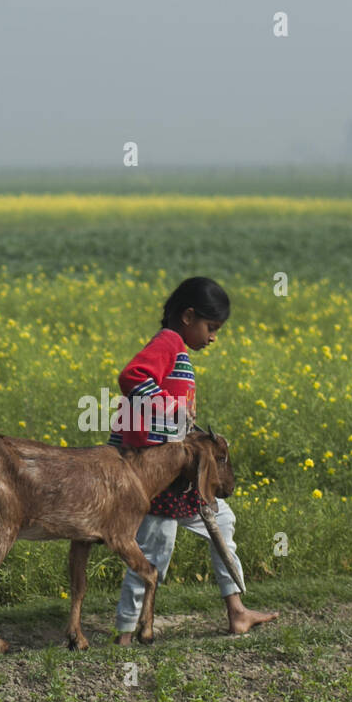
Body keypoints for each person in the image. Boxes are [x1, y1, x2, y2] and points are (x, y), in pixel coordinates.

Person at [109, 276, 277, 645]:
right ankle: (124, 633)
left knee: (221, 522)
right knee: (154, 551)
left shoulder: (175, 346)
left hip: (178, 476)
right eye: (211, 327)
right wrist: (172, 411)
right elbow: (131, 377)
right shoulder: (169, 341)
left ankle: (237, 612)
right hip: (157, 477)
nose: (213, 337)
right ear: (187, 316)